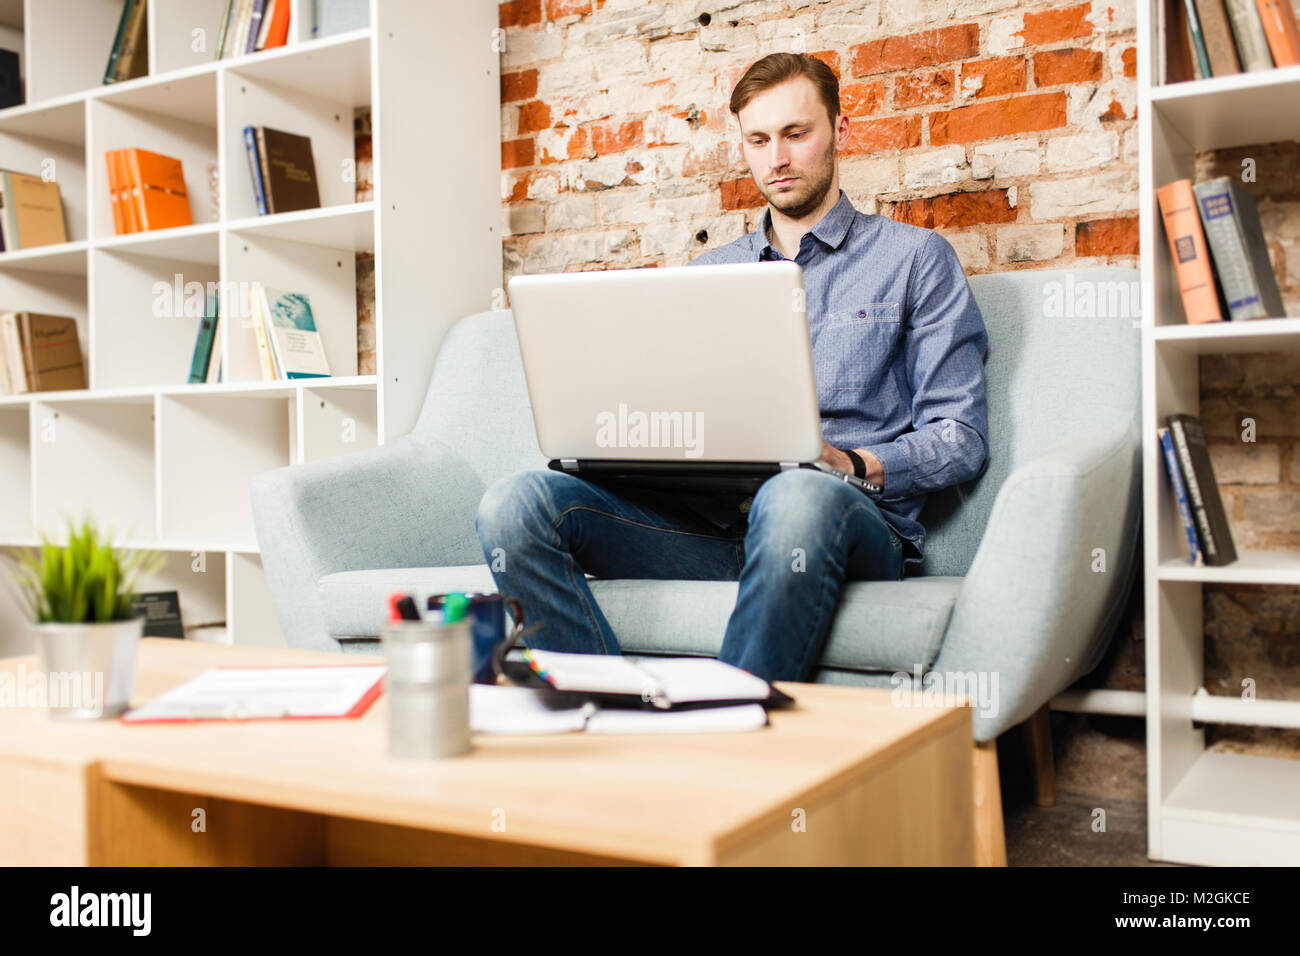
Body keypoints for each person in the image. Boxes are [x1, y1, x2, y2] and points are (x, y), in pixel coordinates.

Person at [475, 52, 989, 683]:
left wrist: (850, 463)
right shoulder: (709, 276)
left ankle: (728, 731)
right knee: (514, 505)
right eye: (758, 139)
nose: (777, 158)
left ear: (841, 133)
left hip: (844, 521)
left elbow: (960, 440)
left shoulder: (915, 260)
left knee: (797, 491)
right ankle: (612, 713)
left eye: (796, 134)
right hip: (712, 530)